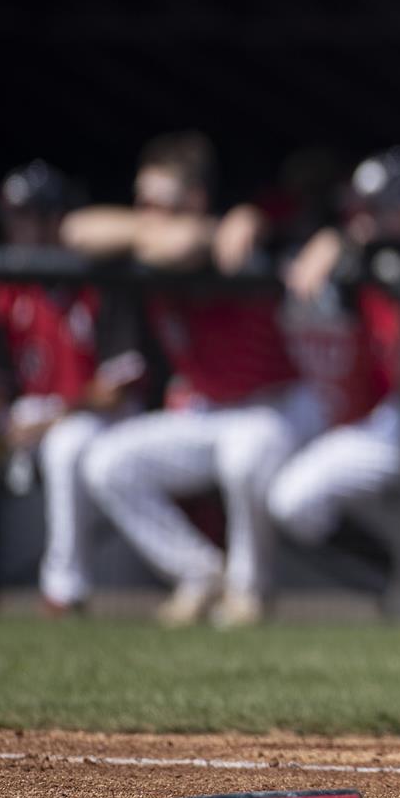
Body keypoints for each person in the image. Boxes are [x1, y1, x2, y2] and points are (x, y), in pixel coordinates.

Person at [68, 132, 326, 627]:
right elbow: (77, 229)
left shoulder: (225, 234)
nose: (148, 213)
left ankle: (250, 592)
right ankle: (200, 572)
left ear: (197, 199)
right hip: (207, 408)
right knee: (106, 462)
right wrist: (150, 227)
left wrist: (222, 225)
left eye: (160, 202)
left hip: (274, 404)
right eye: (140, 201)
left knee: (244, 455)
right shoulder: (158, 238)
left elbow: (187, 241)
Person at [266, 149, 400, 591]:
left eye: (378, 209)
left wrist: (339, 243)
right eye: (361, 209)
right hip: (393, 413)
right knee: (290, 501)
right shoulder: (356, 255)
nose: (364, 220)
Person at [0, 161, 150, 615]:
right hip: (39, 413)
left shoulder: (98, 280)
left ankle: (64, 589)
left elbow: (116, 389)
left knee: (67, 446)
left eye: (31, 216)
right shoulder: (11, 286)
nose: (21, 228)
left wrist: (42, 422)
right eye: (15, 217)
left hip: (99, 417)